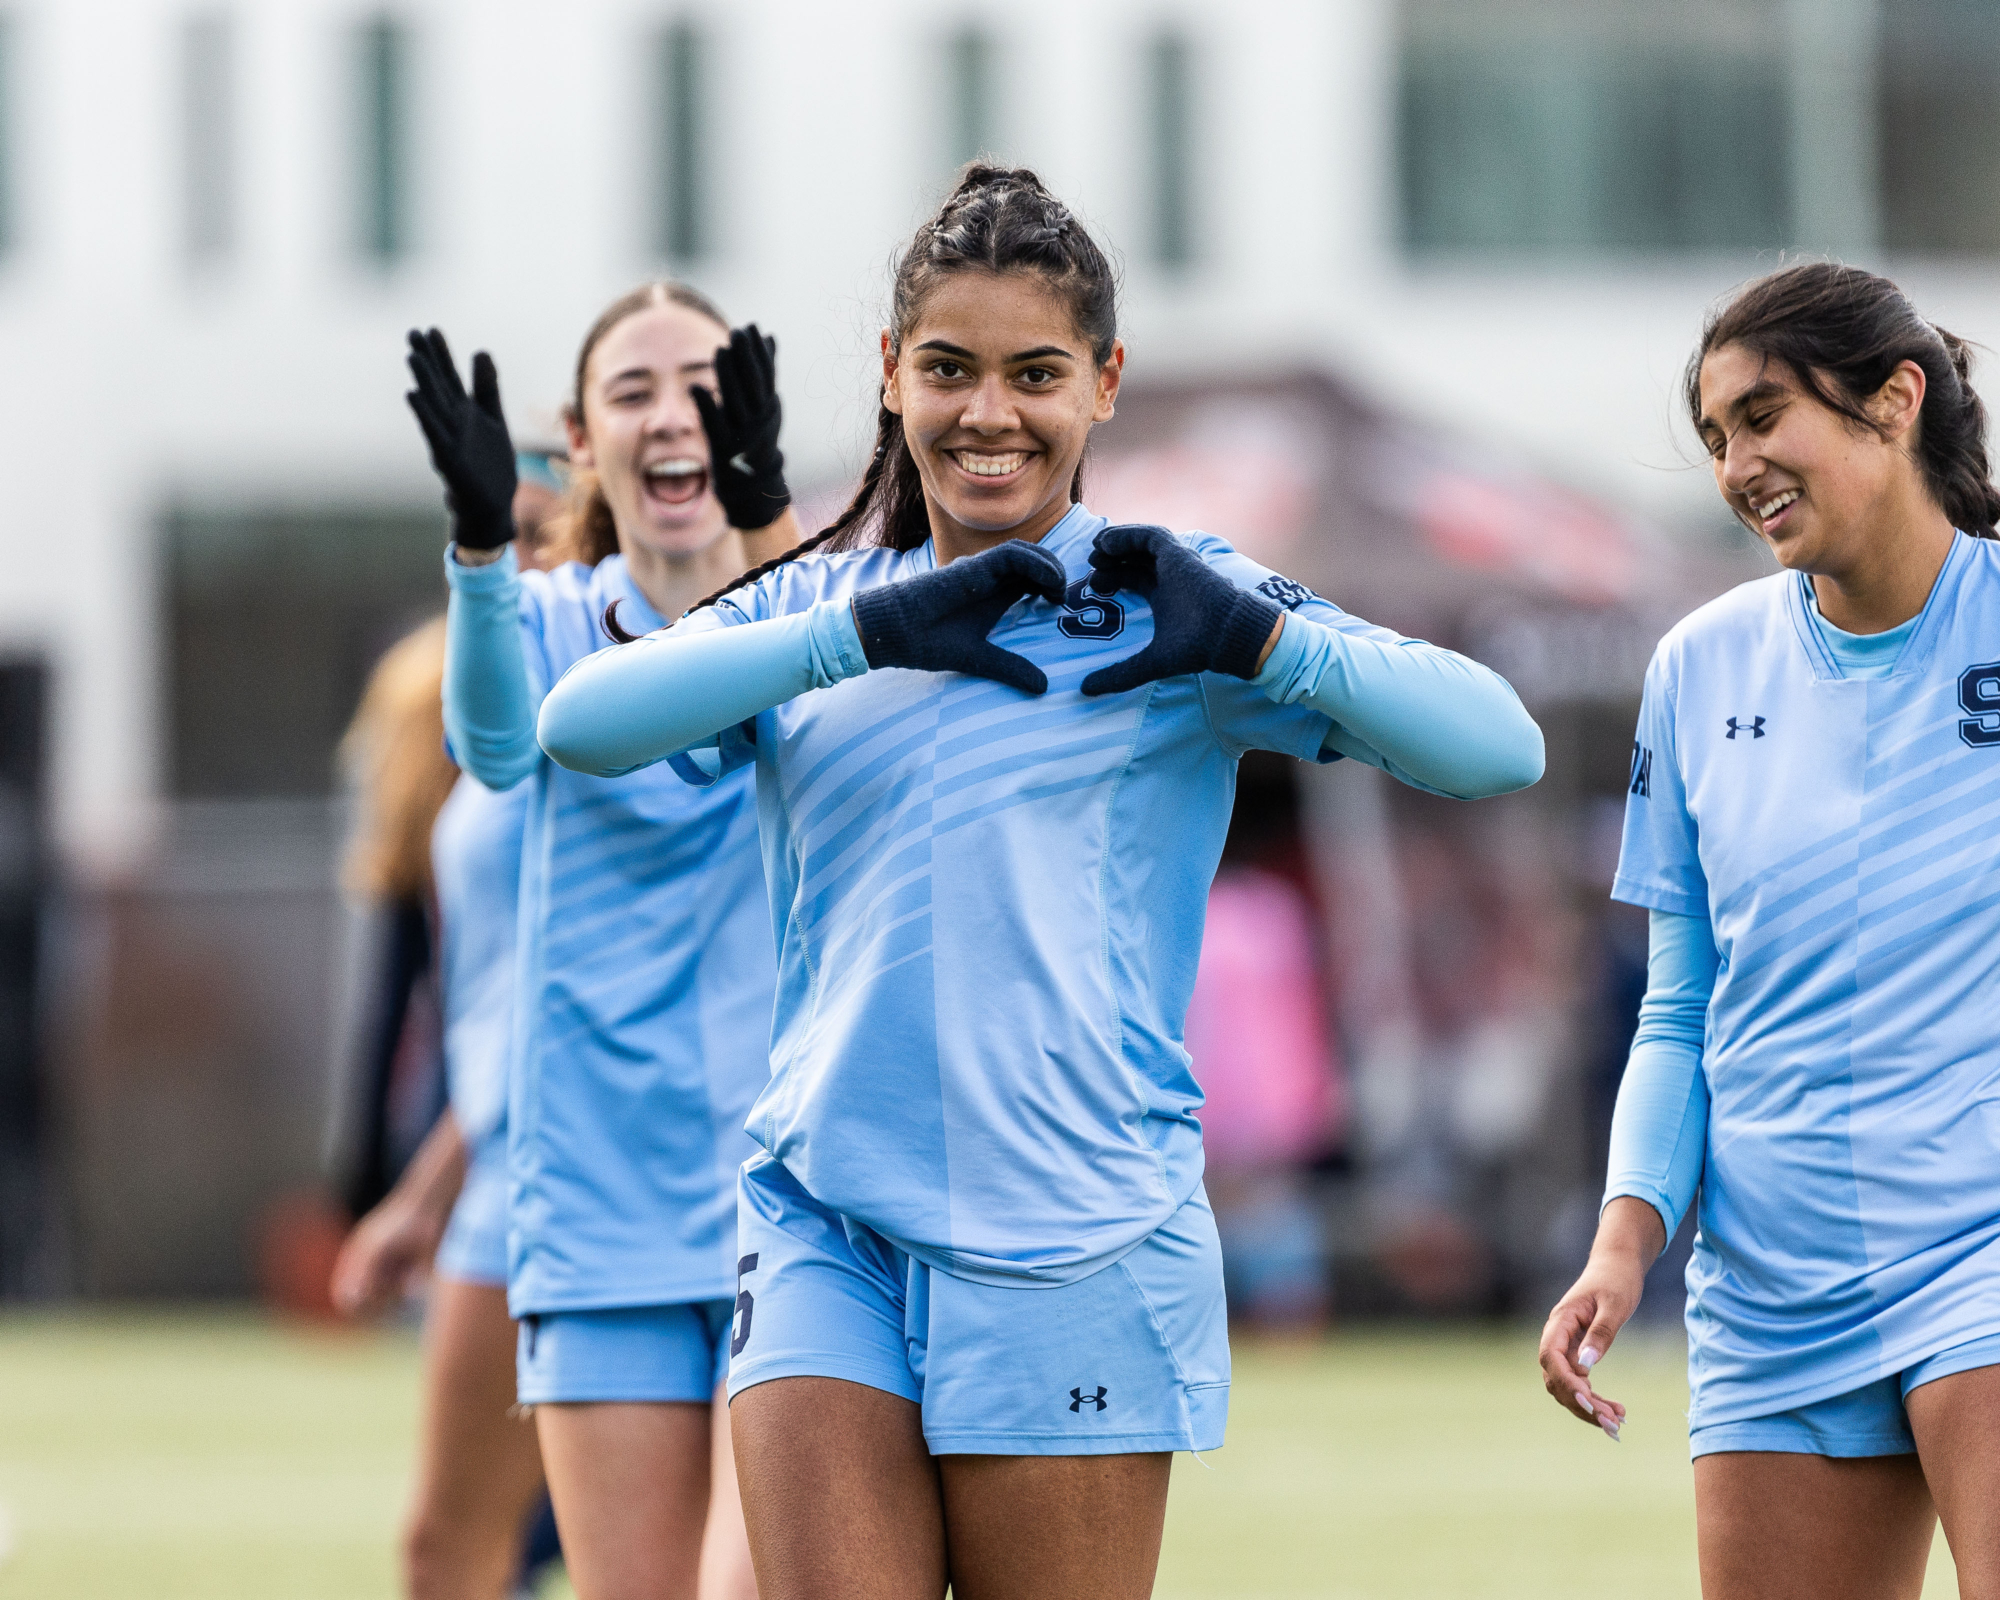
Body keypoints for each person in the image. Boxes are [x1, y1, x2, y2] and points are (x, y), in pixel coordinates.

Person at [536, 165, 1545, 1600]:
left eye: (1034, 372)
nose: (987, 412)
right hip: (822, 1220)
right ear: (891, 376)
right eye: (946, 369)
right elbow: (584, 725)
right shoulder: (821, 603)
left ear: (1105, 382)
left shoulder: (1173, 596)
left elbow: (1495, 747)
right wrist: (862, 635)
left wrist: (1265, 643)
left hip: (1079, 1237)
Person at [1538, 262, 2000, 1600]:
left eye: (1763, 415)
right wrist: (1625, 1244)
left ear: (1893, 400)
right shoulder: (1697, 668)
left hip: (1980, 1250)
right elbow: (1680, 1009)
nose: (1738, 464)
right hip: (1768, 1291)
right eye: (1717, 437)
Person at [404, 283, 797, 1600]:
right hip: (598, 1218)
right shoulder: (550, 620)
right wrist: (475, 552)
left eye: (702, 386)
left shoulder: (810, 614)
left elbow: (846, 715)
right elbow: (499, 745)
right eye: (633, 392)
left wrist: (773, 515)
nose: (670, 414)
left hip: (791, 1214)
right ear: (583, 438)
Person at [331, 457, 571, 1600]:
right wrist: (393, 1183)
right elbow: (410, 964)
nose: (520, 558)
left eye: (543, 531)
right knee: (459, 1542)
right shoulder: (432, 698)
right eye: (494, 535)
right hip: (489, 1126)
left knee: (595, 1541)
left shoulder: (643, 688)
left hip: (630, 1161)